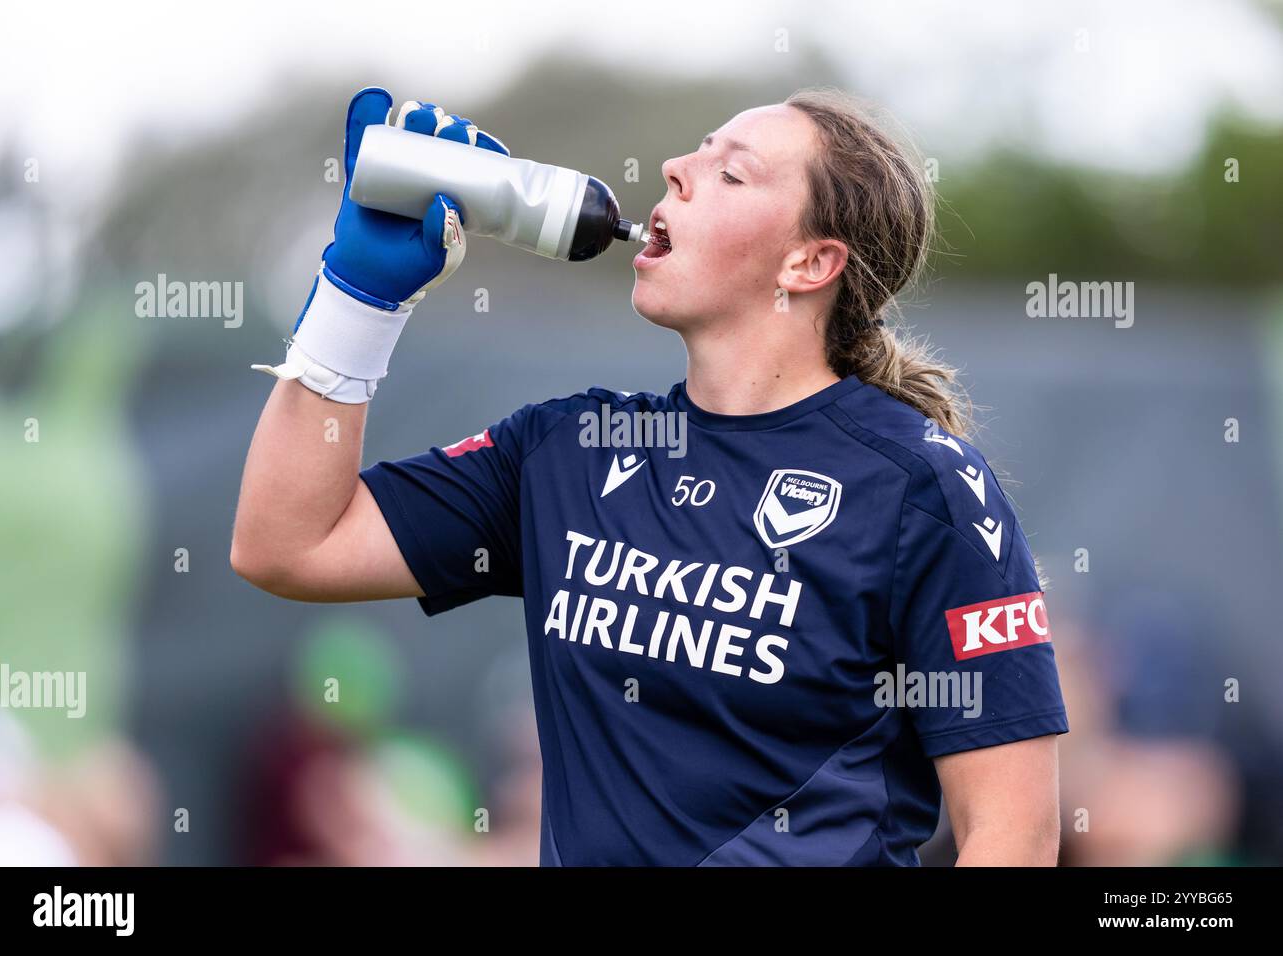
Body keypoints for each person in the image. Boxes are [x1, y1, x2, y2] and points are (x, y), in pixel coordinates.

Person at [232, 86, 1069, 866]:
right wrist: (356, 303)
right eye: (697, 152)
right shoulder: (568, 451)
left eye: (731, 170)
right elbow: (288, 544)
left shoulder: (921, 484)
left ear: (810, 265)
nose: (676, 169)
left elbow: (1014, 832)